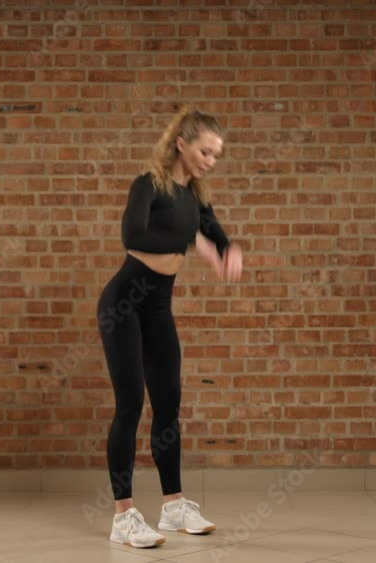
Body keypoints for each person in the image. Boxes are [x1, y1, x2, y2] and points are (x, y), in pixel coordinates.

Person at [96, 104, 243, 548]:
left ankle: (174, 507)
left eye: (216, 155)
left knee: (168, 403)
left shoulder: (194, 196)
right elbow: (133, 235)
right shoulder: (149, 185)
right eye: (205, 151)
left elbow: (213, 229)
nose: (210, 161)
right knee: (130, 404)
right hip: (123, 304)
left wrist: (228, 248)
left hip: (157, 308)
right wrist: (192, 241)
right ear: (181, 143)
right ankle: (123, 517)